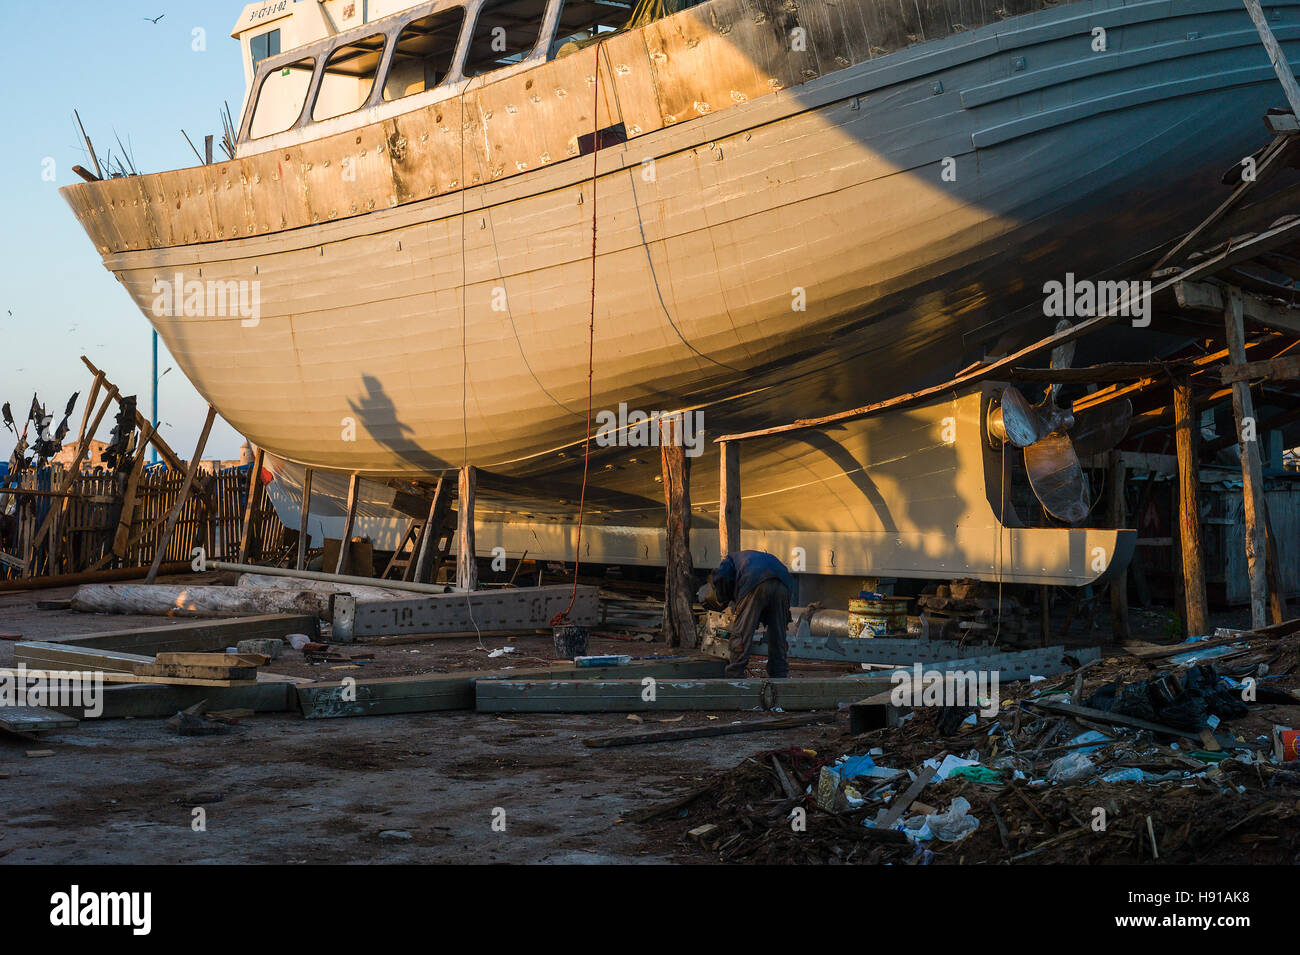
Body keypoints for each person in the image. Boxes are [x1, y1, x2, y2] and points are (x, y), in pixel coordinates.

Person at [699, 550, 793, 678]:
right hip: (783, 583)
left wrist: (723, 598)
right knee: (778, 635)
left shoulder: (730, 560)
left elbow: (722, 576)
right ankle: (779, 674)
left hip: (755, 579)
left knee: (742, 634)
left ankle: (735, 673)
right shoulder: (747, 558)